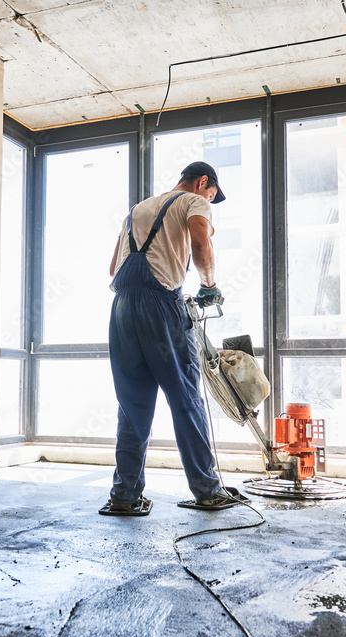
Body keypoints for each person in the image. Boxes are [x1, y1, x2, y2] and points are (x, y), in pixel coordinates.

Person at [100, 161, 236, 516]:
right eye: (209, 193)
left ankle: (124, 496)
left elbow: (113, 270)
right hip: (161, 309)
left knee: (132, 406)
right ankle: (207, 490)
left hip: (122, 310)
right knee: (186, 398)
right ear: (202, 182)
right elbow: (201, 245)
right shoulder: (192, 202)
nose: (208, 199)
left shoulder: (136, 210)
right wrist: (208, 286)